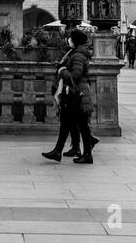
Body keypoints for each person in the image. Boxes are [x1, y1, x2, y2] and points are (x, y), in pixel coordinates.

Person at [42, 28, 98, 164]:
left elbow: (75, 76)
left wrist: (63, 71)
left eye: (71, 38)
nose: (68, 40)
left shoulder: (78, 55)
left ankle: (86, 154)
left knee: (79, 125)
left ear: (75, 40)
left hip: (77, 94)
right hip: (74, 94)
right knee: (68, 122)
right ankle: (59, 151)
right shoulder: (75, 53)